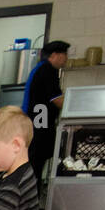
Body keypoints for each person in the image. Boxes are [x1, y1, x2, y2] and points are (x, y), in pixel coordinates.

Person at [22, 40, 69, 185]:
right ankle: (30, 202)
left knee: (34, 168)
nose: (66, 58)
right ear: (54, 55)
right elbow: (57, 100)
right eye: (65, 55)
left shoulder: (41, 68)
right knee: (34, 168)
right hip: (38, 128)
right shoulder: (47, 71)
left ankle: (30, 200)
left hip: (36, 126)